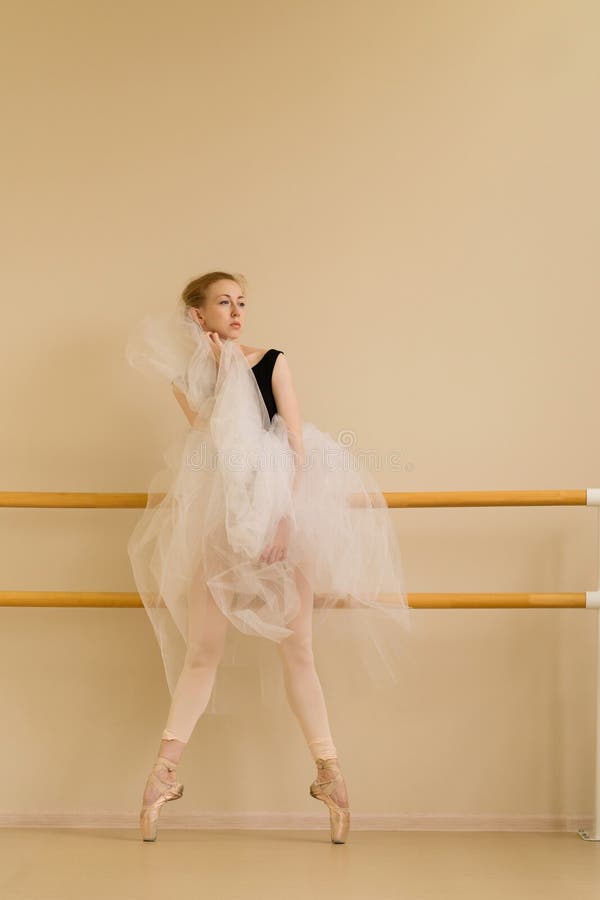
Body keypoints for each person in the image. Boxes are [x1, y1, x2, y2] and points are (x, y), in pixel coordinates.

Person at [125, 270, 412, 844]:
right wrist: (212, 368)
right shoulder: (189, 377)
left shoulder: (272, 361)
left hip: (283, 508)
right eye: (223, 303)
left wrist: (286, 518)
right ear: (198, 315)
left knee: (297, 648)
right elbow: (212, 440)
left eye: (241, 303)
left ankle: (330, 774)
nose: (236, 312)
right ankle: (163, 775)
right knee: (203, 650)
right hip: (222, 511)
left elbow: (296, 446)